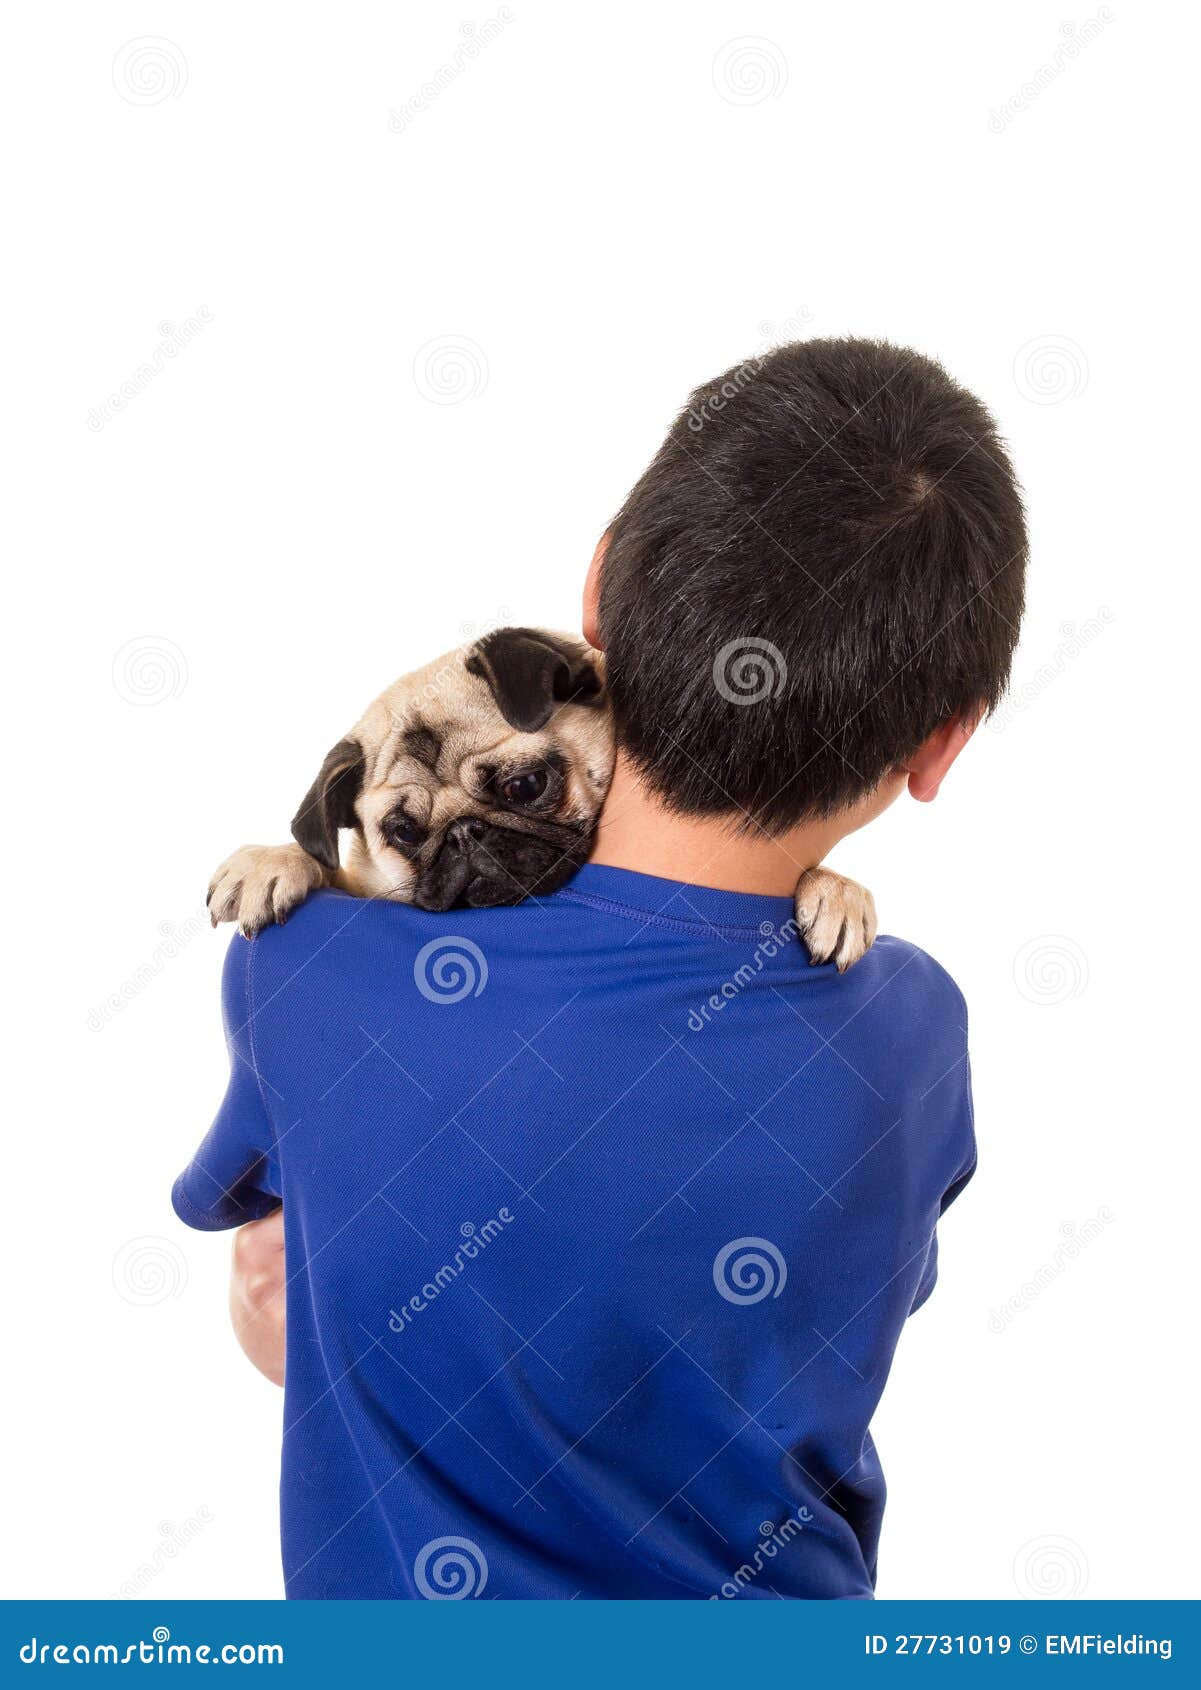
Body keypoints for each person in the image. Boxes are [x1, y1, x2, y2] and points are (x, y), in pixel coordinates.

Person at [173, 338, 1026, 1599]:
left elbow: (273, 1306)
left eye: (513, 788)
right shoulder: (908, 1027)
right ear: (941, 746)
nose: (477, 840)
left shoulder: (305, 975)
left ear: (595, 586)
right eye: (426, 826)